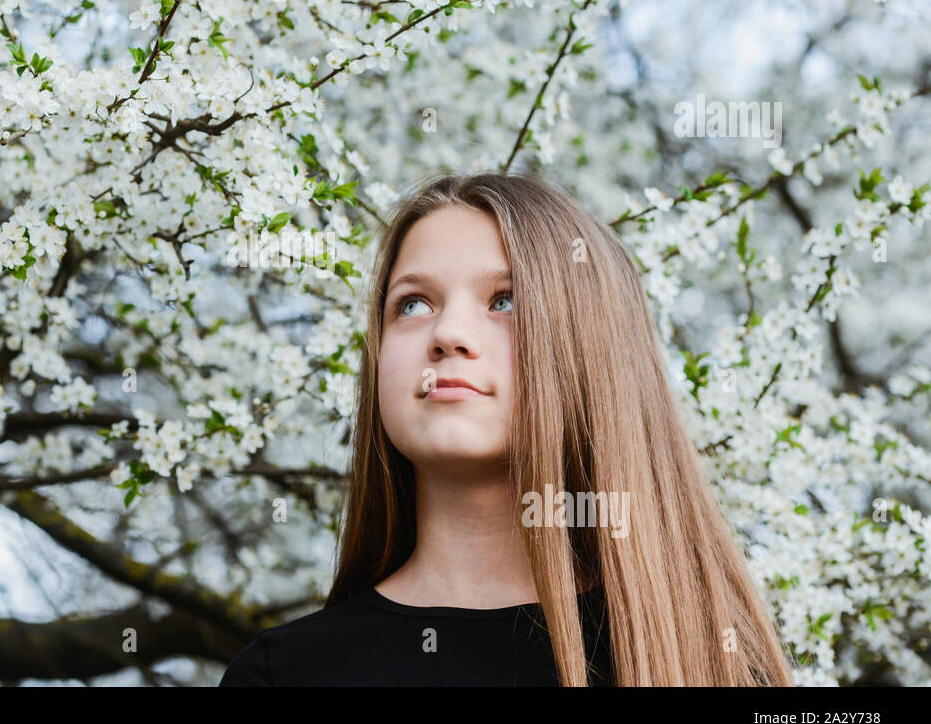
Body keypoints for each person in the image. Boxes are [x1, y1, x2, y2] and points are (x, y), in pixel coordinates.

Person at [219, 171, 795, 686]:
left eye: (506, 299)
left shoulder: (707, 663)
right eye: (413, 304)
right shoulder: (284, 676)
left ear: (589, 349)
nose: (448, 334)